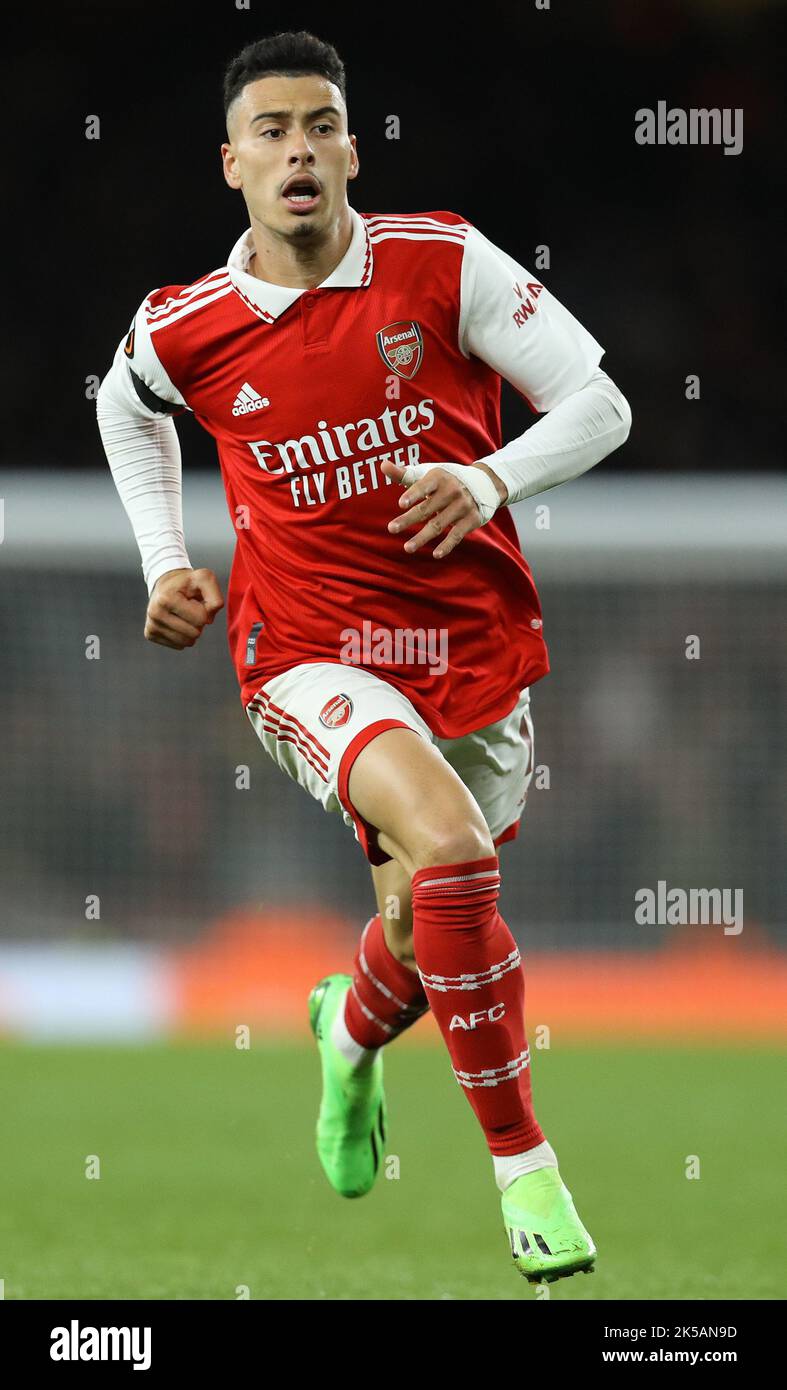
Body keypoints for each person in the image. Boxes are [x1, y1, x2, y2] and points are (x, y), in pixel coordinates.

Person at [96, 28, 631, 1286]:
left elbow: (601, 403)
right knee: (445, 847)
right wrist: (162, 559)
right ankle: (526, 1171)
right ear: (231, 164)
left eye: (322, 125)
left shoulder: (441, 262)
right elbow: (121, 404)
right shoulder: (189, 327)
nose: (300, 149)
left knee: (423, 913)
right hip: (306, 659)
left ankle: (346, 1029)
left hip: (471, 652)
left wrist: (487, 475)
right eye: (272, 131)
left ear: (350, 147)